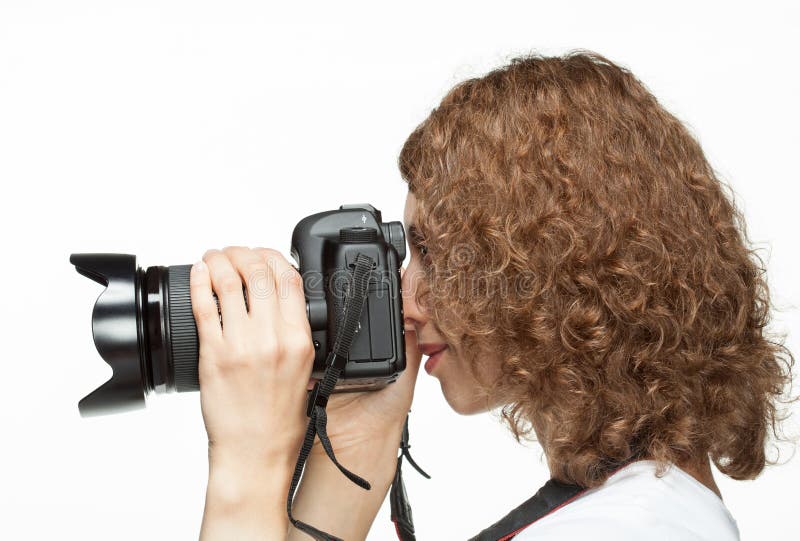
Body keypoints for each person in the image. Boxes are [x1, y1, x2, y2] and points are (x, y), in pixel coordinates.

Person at [188, 51, 795, 540]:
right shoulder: (630, 507)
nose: (404, 296)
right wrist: (356, 448)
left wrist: (250, 460)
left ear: (552, 261)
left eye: (431, 251)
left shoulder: (628, 528)